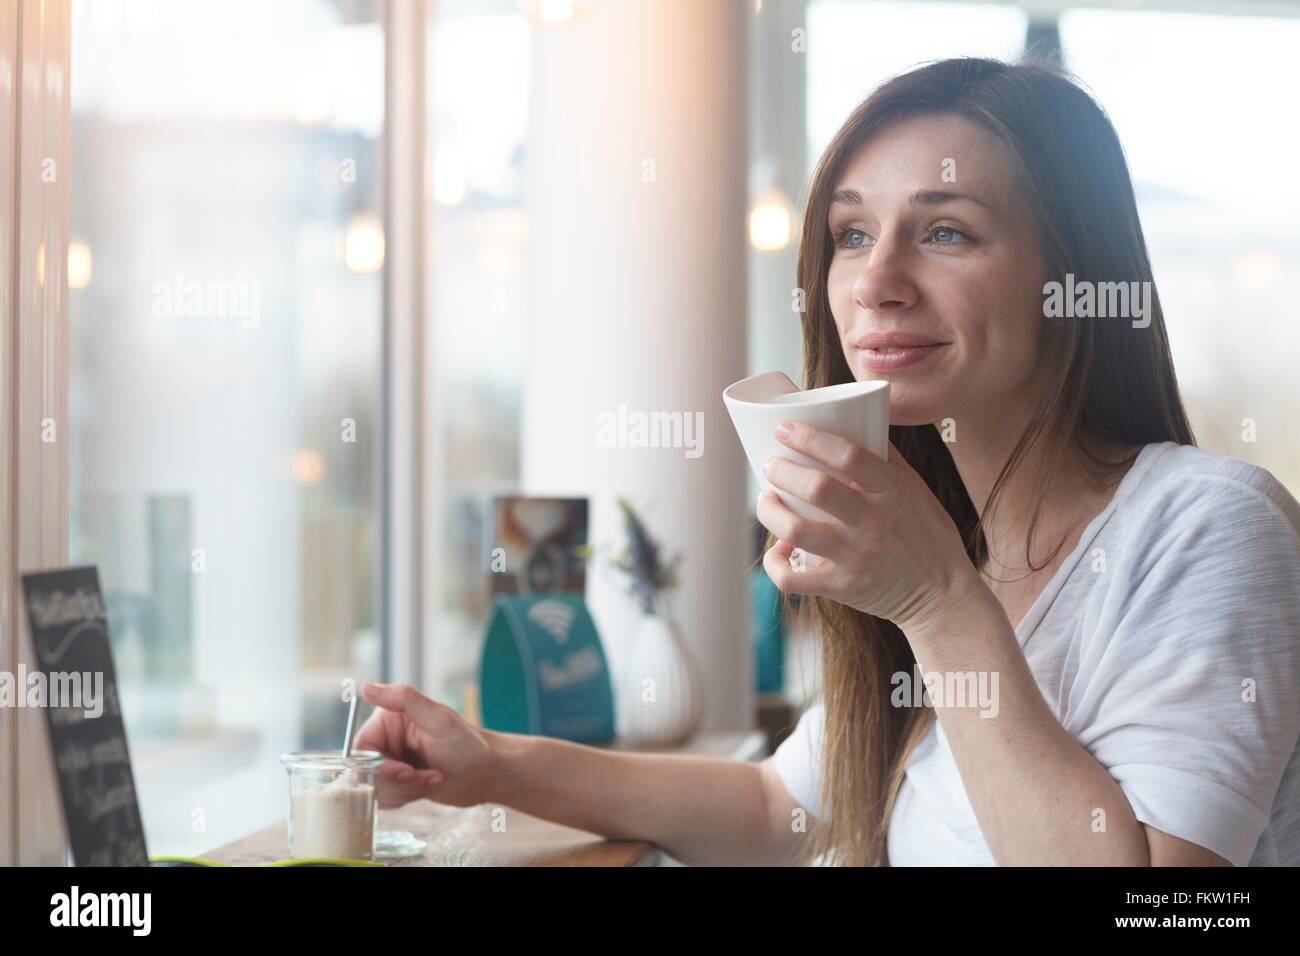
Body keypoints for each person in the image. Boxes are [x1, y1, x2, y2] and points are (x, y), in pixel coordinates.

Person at [354, 57, 1300, 867]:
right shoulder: (952, 545)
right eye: (852, 234)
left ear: (1072, 276)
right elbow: (783, 809)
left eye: (945, 231)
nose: (877, 283)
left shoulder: (1210, 526)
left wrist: (936, 603)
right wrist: (489, 762)